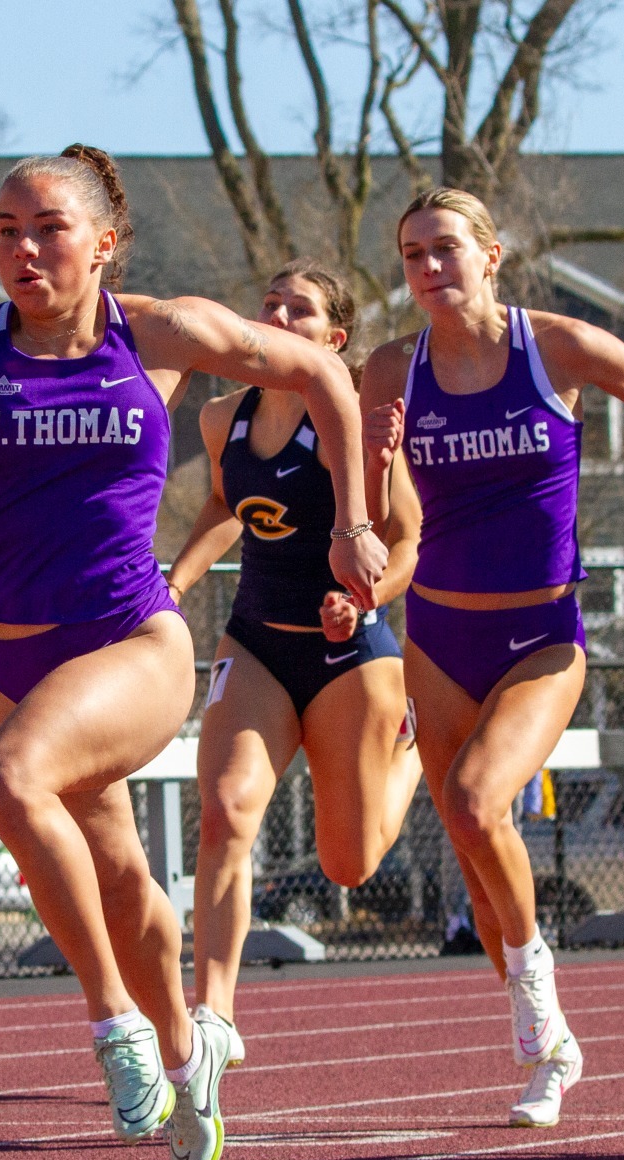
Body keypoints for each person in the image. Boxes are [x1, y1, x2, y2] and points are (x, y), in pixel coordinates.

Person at [0, 146, 384, 1160]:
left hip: (129, 640)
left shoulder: (155, 331)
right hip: (1, 652)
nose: (22, 250)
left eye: (46, 229)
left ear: (102, 243)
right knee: (121, 873)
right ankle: (188, 1063)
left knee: (9, 780)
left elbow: (318, 371)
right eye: (5, 230)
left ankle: (113, 1025)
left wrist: (352, 522)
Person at [361, 187, 624, 1128]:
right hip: (435, 636)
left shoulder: (555, 347)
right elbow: (358, 495)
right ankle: (548, 1044)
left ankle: (542, 1017)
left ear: (491, 254)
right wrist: (371, 479)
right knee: (475, 861)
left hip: (541, 637)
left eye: (444, 250)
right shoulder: (392, 369)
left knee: (476, 800)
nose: (428, 270)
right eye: (411, 255)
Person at [163, 258, 424, 1065]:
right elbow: (225, 504)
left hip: (350, 651)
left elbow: (409, 537)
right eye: (268, 302)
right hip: (257, 639)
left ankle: (415, 748)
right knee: (226, 809)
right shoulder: (221, 418)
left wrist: (368, 599)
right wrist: (173, 578)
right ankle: (216, 1013)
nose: (276, 316)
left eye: (299, 310)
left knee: (347, 865)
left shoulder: (352, 415)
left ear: (333, 339)